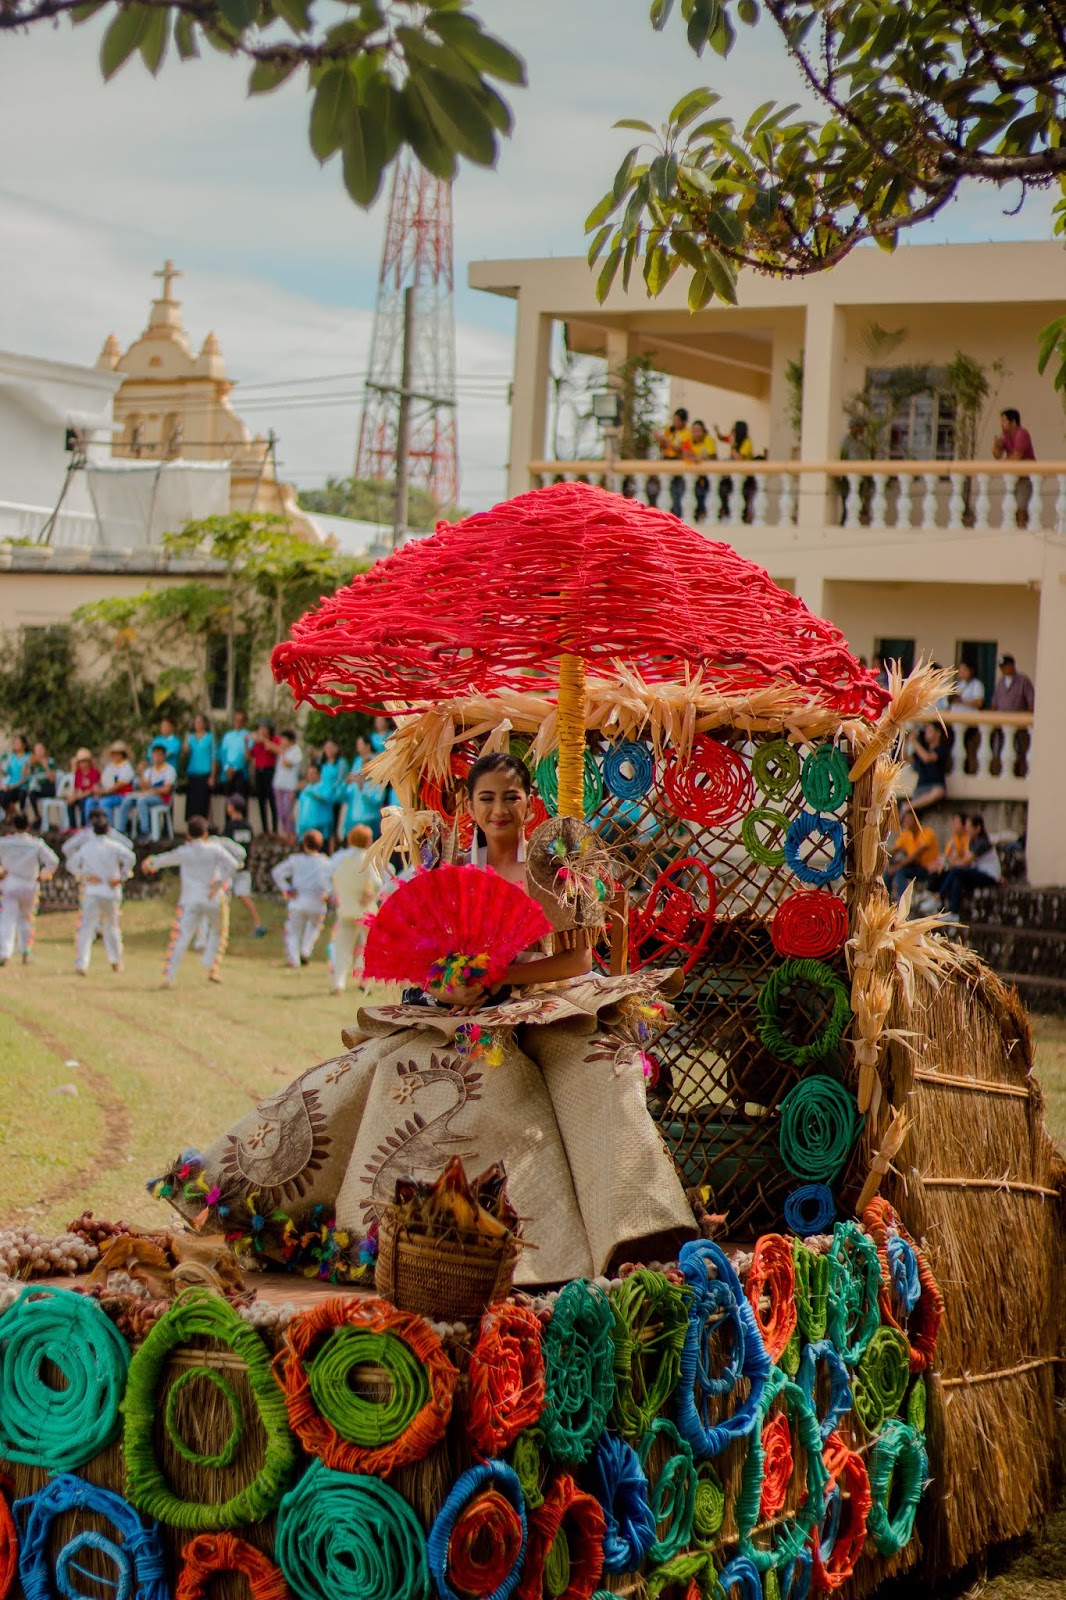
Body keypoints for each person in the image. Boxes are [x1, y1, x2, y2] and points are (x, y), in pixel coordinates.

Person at [156, 752, 694, 1285]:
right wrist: (449, 982)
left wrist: (499, 978)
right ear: (470, 805)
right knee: (372, 1068)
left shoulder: (555, 867)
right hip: (461, 1008)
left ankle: (570, 1244)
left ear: (531, 802)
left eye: (511, 797)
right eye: (487, 798)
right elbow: (432, 954)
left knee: (582, 1079)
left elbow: (577, 961)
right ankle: (297, 1215)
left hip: (547, 1004)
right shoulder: (456, 869)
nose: (500, 809)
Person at [143, 815, 243, 987]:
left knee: (181, 938)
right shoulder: (215, 849)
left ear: (188, 835)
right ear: (205, 834)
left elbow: (164, 859)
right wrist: (219, 884)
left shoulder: (185, 851)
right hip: (212, 897)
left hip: (190, 899)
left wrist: (150, 862)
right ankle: (211, 965)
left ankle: (169, 977)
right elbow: (235, 865)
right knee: (218, 932)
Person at [67, 809, 136, 975]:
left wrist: (85, 876)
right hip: (111, 891)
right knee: (111, 927)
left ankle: (82, 963)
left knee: (87, 928)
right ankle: (116, 961)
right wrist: (123, 876)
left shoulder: (87, 847)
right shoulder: (114, 846)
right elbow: (131, 857)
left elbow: (71, 864)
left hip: (93, 890)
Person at [329, 823, 382, 995]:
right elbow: (377, 882)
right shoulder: (368, 858)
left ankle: (338, 983)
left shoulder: (340, 857)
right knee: (368, 947)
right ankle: (364, 981)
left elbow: (333, 877)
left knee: (342, 946)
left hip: (346, 908)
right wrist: (371, 895)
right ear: (368, 841)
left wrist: (342, 895)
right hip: (365, 909)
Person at [0, 812, 59, 966]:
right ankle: (26, 952)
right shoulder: (35, 843)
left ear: (13, 825)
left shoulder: (5, 842)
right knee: (25, 919)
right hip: (29, 884)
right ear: (28, 826)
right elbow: (53, 861)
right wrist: (43, 874)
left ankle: (4, 952)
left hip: (10, 882)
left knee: (7, 918)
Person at [272, 828, 334, 967]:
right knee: (314, 927)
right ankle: (305, 950)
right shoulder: (326, 862)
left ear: (304, 844)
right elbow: (333, 880)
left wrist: (287, 889)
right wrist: (328, 893)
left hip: (298, 899)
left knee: (293, 931)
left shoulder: (295, 860)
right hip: (318, 901)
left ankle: (294, 959)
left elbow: (277, 872)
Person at [939, 814, 1000, 918]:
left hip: (989, 876)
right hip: (978, 872)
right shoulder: (972, 842)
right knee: (957, 878)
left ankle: (939, 896)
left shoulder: (982, 843)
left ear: (978, 828)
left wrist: (949, 863)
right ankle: (954, 914)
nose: (967, 830)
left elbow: (965, 862)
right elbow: (965, 861)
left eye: (969, 828)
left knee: (956, 871)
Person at [221, 794, 266, 937]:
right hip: (244, 867)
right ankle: (258, 923)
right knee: (244, 896)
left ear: (232, 808)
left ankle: (221, 927)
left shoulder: (230, 826)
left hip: (230, 868)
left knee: (223, 898)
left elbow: (225, 846)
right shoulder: (248, 826)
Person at [990, 653, 1035, 779]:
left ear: (1012, 666)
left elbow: (1031, 702)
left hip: (1019, 726)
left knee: (1020, 752)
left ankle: (1020, 774)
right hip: (1002, 725)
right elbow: (994, 702)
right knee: (1001, 751)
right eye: (1001, 667)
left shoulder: (1023, 681)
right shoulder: (1000, 682)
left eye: (1005, 666)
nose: (1003, 669)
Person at [118, 744, 176, 840]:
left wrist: (153, 790)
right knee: (127, 800)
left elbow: (167, 789)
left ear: (164, 756)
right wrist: (141, 772)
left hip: (162, 798)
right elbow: (144, 788)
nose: (156, 758)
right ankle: (121, 830)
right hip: (148, 795)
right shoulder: (149, 770)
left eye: (159, 755)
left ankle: (145, 831)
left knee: (142, 801)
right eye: (154, 755)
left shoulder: (169, 770)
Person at [885, 801, 939, 901]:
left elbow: (915, 855)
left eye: (908, 820)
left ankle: (902, 903)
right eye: (905, 820)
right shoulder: (906, 834)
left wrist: (898, 866)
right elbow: (895, 849)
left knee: (900, 872)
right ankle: (885, 902)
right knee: (887, 872)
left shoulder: (927, 833)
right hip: (913, 866)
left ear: (916, 820)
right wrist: (881, 853)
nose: (906, 822)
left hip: (926, 869)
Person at [992, 408, 1035, 526]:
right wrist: (996, 446)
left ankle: (1022, 528)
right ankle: (1018, 528)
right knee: (1012, 507)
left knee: (1021, 506)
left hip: (1025, 476)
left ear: (1013, 422)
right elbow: (997, 455)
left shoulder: (1022, 434)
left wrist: (1002, 464)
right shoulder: (1006, 436)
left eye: (1004, 421)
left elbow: (1017, 456)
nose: (1002, 424)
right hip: (1012, 477)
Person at [343, 735, 385, 839]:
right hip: (354, 817)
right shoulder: (357, 761)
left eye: (360, 744)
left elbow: (376, 800)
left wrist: (362, 786)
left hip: (370, 819)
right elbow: (346, 794)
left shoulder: (376, 783)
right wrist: (348, 782)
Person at [655, 407, 692, 517]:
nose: (675, 422)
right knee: (667, 490)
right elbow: (663, 446)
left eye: (677, 420)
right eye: (674, 420)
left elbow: (679, 449)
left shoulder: (687, 433)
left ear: (683, 421)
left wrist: (667, 441)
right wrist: (660, 440)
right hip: (667, 460)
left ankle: (677, 513)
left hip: (678, 462)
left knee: (678, 490)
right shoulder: (669, 430)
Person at [715, 419, 755, 521]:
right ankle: (726, 512)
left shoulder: (746, 442)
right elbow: (722, 438)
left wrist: (733, 445)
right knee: (722, 490)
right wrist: (717, 431)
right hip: (733, 475)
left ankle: (744, 517)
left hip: (745, 477)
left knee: (743, 497)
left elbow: (739, 458)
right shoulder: (735, 440)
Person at [183, 713, 217, 825]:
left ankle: (203, 826)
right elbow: (186, 752)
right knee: (192, 803)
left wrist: (212, 775)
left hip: (204, 774)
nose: (197, 724)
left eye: (199, 722)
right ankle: (192, 827)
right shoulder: (191, 737)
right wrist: (186, 740)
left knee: (203, 802)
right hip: (193, 773)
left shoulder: (209, 737)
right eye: (196, 722)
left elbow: (213, 757)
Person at [907, 723, 947, 812]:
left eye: (929, 731)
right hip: (921, 787)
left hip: (935, 785)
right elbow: (905, 758)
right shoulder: (922, 750)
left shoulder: (941, 749)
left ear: (938, 733)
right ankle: (910, 806)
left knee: (939, 792)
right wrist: (906, 740)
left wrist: (914, 741)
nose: (926, 733)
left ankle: (909, 806)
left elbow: (927, 758)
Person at [95, 743, 137, 826]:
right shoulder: (110, 766)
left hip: (122, 795)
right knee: (92, 802)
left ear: (122, 754)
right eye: (114, 754)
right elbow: (103, 779)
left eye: (118, 753)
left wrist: (105, 791)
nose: (115, 756)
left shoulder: (126, 767)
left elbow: (119, 785)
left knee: (104, 802)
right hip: (111, 794)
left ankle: (108, 826)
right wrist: (97, 787)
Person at [318, 737, 350, 845]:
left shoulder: (341, 763)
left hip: (335, 798)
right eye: (326, 747)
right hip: (323, 799)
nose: (328, 749)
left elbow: (341, 780)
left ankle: (335, 845)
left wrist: (331, 794)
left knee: (335, 824)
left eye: (331, 747)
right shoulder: (322, 763)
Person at [271, 729, 302, 840]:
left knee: (288, 812)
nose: (281, 742)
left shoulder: (296, 751)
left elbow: (287, 764)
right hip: (279, 786)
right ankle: (286, 833)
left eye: (283, 739)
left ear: (290, 740)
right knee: (281, 811)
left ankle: (292, 834)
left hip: (289, 787)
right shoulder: (283, 751)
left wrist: (282, 753)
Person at [685, 419, 715, 523]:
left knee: (705, 496)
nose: (696, 434)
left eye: (699, 431)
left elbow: (712, 457)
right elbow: (686, 455)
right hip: (694, 476)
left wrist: (698, 458)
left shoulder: (708, 440)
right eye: (694, 431)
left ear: (703, 431)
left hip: (707, 476)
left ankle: (703, 514)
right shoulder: (689, 441)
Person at [251, 721, 278, 834]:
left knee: (272, 801)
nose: (261, 731)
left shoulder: (274, 739)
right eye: (260, 728)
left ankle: (275, 829)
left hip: (269, 771)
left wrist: (264, 740)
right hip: (259, 771)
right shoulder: (256, 743)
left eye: (264, 728)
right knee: (261, 801)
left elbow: (276, 750)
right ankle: (265, 830)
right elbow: (250, 755)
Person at [295, 763, 334, 840]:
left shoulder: (325, 786)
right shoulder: (305, 788)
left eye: (313, 774)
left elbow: (325, 799)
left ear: (319, 774)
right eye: (309, 774)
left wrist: (310, 792)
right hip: (304, 827)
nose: (310, 776)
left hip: (320, 827)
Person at [219, 711, 253, 800]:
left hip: (240, 773)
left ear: (244, 722)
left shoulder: (248, 736)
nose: (238, 722)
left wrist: (234, 768)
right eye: (236, 719)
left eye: (241, 720)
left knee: (239, 803)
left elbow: (247, 756)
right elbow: (223, 754)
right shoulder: (227, 736)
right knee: (228, 803)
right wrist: (227, 768)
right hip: (227, 772)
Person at [24, 741, 57, 828]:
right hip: (38, 788)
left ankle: (38, 819)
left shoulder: (50, 761)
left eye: (41, 749)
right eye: (37, 750)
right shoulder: (35, 764)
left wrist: (45, 766)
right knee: (30, 794)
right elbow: (24, 775)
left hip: (48, 787)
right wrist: (27, 762)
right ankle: (38, 817)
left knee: (33, 791)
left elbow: (52, 780)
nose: (39, 752)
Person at [0, 735, 31, 818]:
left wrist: (13, 786)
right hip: (11, 786)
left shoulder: (28, 757)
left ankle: (15, 817)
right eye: (15, 743)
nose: (16, 744)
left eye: (18, 743)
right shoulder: (12, 757)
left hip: (22, 787)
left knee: (5, 796)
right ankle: (15, 815)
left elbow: (27, 777)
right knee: (2, 796)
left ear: (24, 745)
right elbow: (8, 773)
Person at [70, 748, 101, 827]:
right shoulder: (78, 772)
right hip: (80, 795)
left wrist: (78, 796)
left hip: (91, 796)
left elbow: (92, 789)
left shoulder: (94, 772)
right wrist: (73, 796)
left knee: (84, 803)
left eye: (84, 762)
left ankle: (84, 825)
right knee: (70, 803)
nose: (82, 764)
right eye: (80, 762)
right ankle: (72, 826)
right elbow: (75, 787)